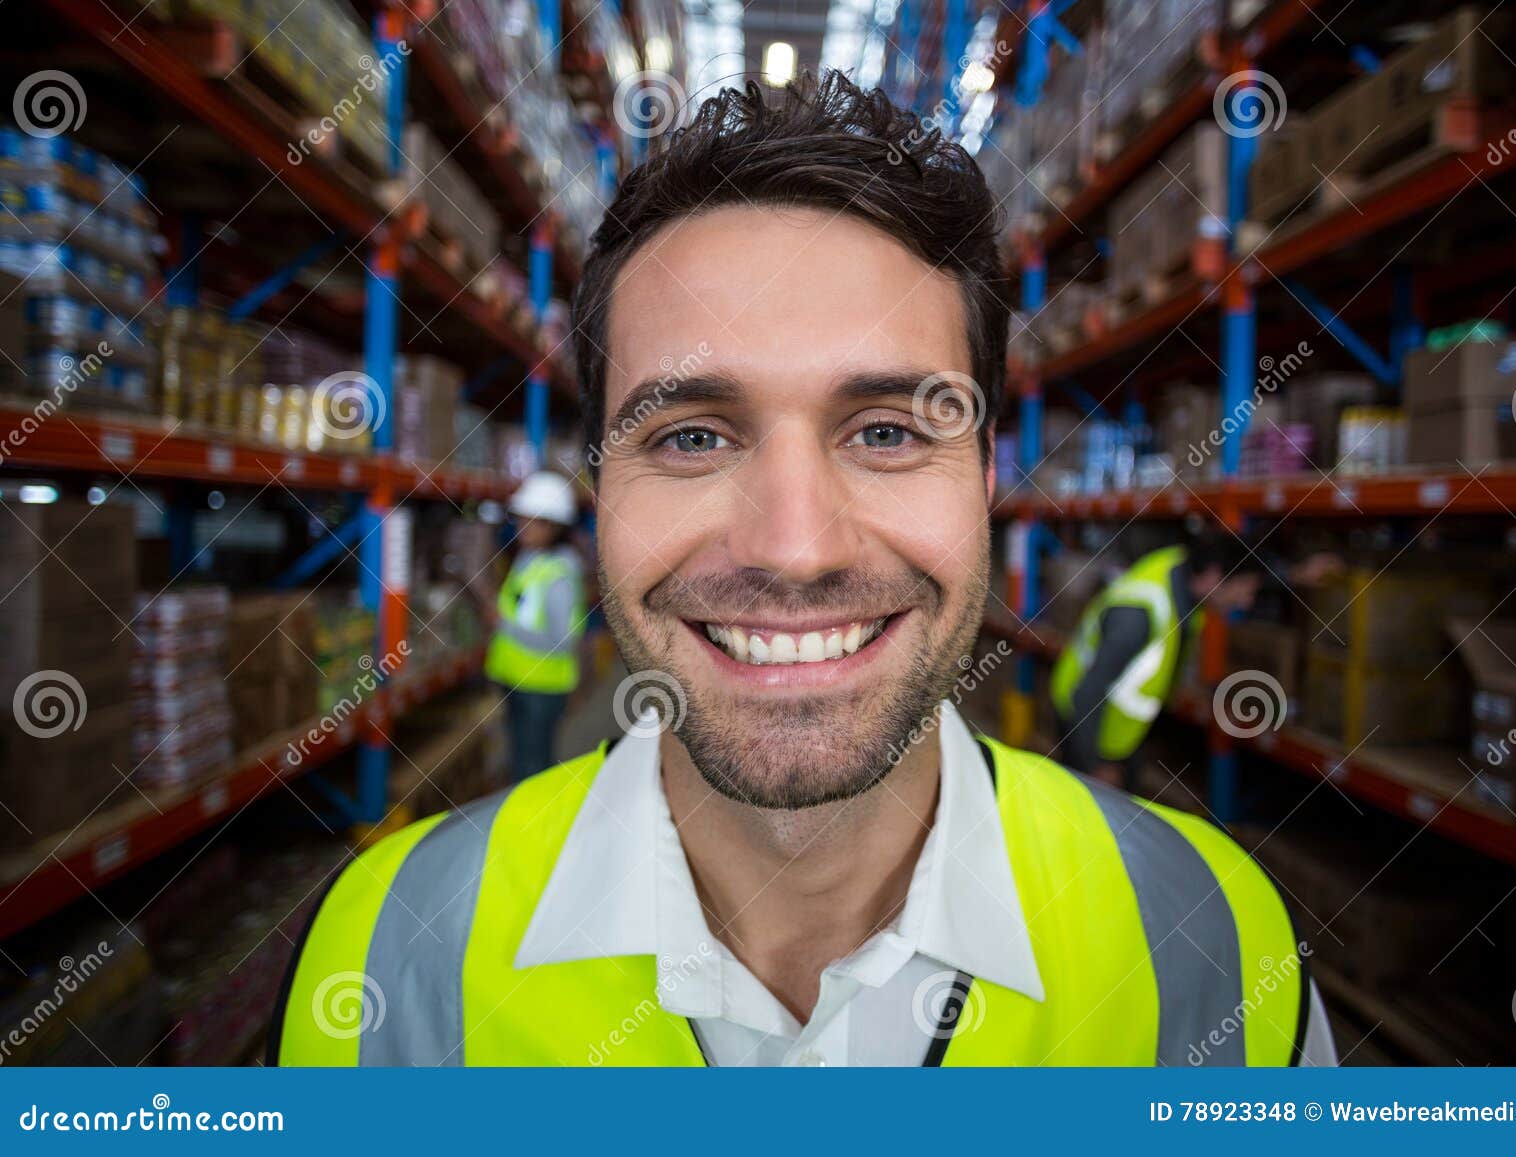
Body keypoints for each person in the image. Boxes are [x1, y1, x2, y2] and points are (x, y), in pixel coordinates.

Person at [271, 71, 1337, 1067]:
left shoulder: (1214, 940)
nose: (795, 546)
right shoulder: (385, 953)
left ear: (983, 477)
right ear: (600, 490)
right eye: (691, 437)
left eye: (884, 431)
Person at [1051, 533, 1338, 790]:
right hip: (1084, 728)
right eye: (1246, 589)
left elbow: (1240, 567)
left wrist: (1293, 574)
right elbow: (1088, 693)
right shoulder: (1137, 615)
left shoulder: (1185, 571)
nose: (1247, 602)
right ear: (1214, 578)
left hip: (1122, 734)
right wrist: (1094, 766)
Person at [480, 471, 584, 781]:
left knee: (533, 769)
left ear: (554, 526)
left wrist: (504, 625)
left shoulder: (560, 575)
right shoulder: (529, 558)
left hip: (541, 688)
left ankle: (535, 827)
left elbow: (562, 641)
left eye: (533, 521)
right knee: (521, 762)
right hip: (517, 681)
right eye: (521, 519)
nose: (522, 528)